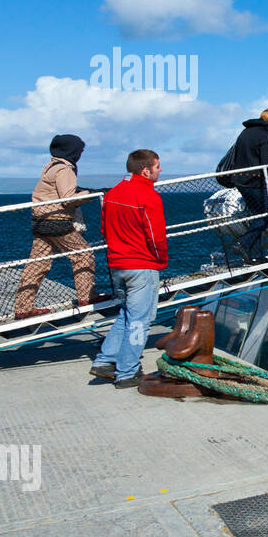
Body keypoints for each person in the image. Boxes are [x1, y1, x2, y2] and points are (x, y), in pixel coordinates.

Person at [89, 150, 167, 388]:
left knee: (127, 313)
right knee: (140, 320)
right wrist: (161, 260)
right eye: (157, 166)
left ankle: (105, 360)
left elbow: (104, 228)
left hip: (118, 265)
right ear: (146, 170)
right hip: (141, 266)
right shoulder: (149, 196)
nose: (160, 170)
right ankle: (126, 372)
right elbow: (156, 237)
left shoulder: (112, 194)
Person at [13, 135, 107, 319]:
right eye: (80, 150)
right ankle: (87, 297)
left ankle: (23, 307)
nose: (80, 154)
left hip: (41, 220)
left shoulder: (51, 166)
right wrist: (95, 194)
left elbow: (55, 191)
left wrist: (83, 190)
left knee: (37, 263)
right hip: (57, 221)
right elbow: (68, 197)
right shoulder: (65, 169)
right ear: (72, 151)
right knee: (83, 254)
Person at [228, 107, 268, 263]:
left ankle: (254, 256)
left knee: (257, 217)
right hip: (255, 182)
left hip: (240, 181)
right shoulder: (264, 135)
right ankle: (244, 244)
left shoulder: (245, 132)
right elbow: (267, 163)